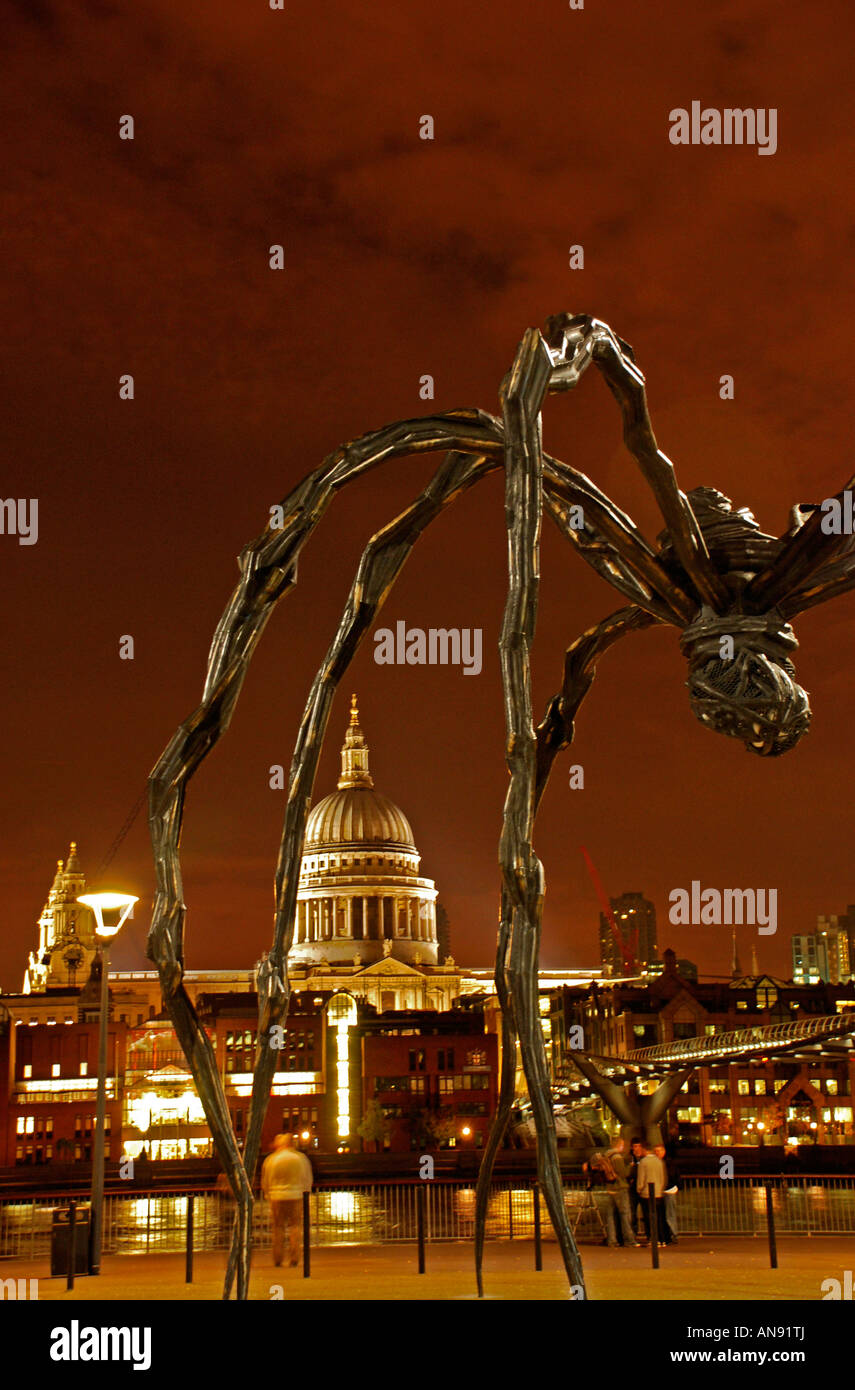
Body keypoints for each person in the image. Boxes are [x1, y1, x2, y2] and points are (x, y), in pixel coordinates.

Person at [261, 1133, 314, 1267]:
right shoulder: (300, 1158)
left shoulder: (271, 1160)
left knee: (278, 1228)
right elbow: (307, 1178)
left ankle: (278, 1258)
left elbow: (265, 1181)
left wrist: (268, 1194)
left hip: (276, 1197)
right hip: (296, 1196)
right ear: (291, 1143)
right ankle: (294, 1257)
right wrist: (305, 1192)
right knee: (295, 1227)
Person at [605, 1136, 638, 1247]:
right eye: (622, 1145)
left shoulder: (606, 1155)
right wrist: (630, 1166)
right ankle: (629, 1239)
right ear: (619, 1145)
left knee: (610, 1216)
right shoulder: (617, 1157)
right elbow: (623, 1174)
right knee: (625, 1214)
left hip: (610, 1188)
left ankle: (612, 1240)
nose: (623, 1147)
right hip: (620, 1188)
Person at [635, 1140, 666, 1246]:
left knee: (648, 1217)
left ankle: (652, 1239)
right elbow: (662, 1178)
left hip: (646, 1193)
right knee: (658, 1216)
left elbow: (641, 1178)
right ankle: (661, 1239)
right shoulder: (659, 1161)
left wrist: (639, 1189)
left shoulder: (643, 1162)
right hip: (658, 1193)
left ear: (644, 1149)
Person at [655, 1142, 679, 1244]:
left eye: (659, 1151)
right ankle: (668, 1234)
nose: (657, 1153)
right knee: (666, 1213)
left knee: (669, 1213)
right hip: (665, 1189)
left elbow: (672, 1175)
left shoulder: (667, 1162)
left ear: (663, 1151)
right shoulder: (664, 1162)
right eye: (656, 1151)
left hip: (668, 1189)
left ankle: (673, 1234)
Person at [628, 1138, 650, 1241]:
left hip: (642, 1188)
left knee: (647, 1212)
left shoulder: (644, 1159)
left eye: (638, 1146)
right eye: (634, 1147)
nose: (636, 1149)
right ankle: (633, 1233)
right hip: (632, 1189)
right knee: (632, 1212)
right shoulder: (629, 1158)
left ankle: (648, 1233)